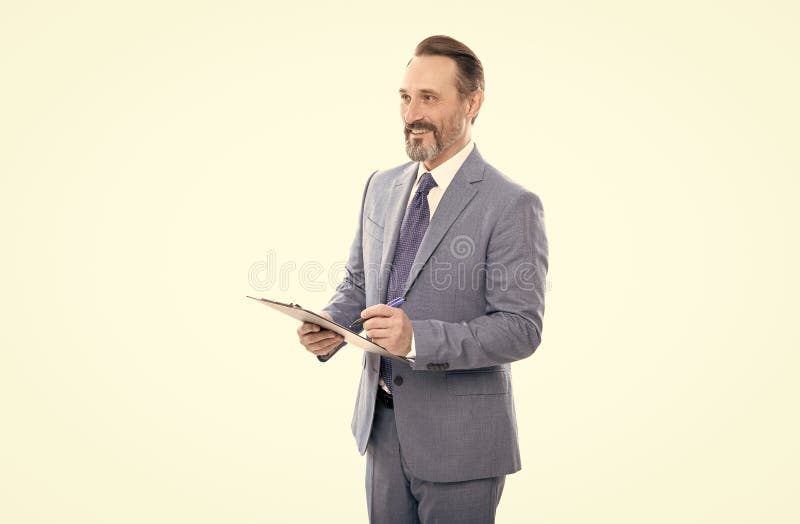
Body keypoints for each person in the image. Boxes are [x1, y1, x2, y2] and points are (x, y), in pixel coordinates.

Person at [296, 35, 548, 524]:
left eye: (429, 98)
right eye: (405, 97)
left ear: (472, 103)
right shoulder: (381, 185)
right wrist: (330, 322)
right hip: (382, 431)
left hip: (463, 443)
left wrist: (418, 338)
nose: (412, 113)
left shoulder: (511, 204)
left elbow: (521, 327)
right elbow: (359, 281)